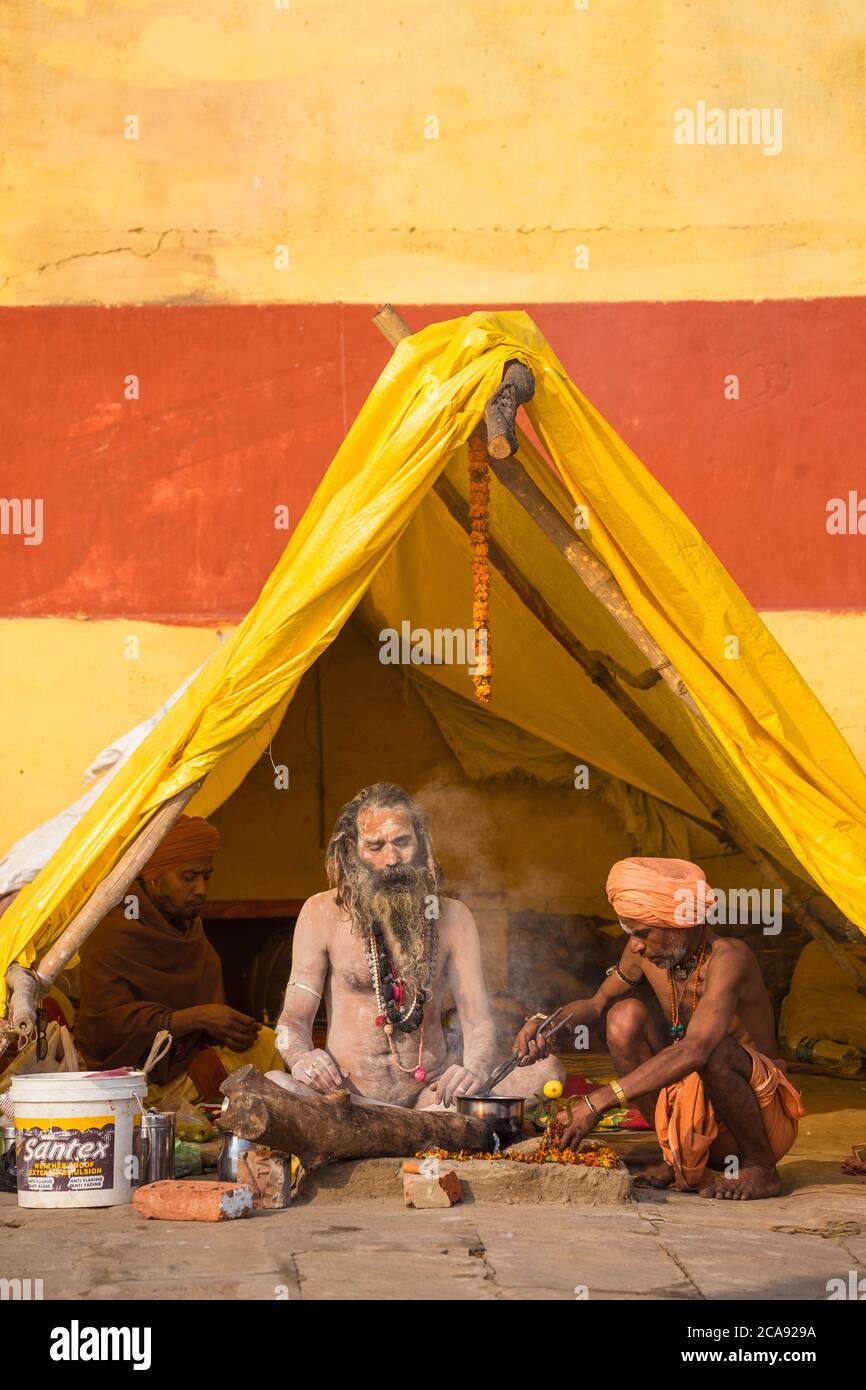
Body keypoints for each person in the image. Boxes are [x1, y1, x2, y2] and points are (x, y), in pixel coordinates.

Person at [512, 856, 803, 1199]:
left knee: (708, 1049)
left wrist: (601, 1100)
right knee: (624, 1016)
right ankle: (674, 1154)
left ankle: (761, 1169)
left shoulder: (729, 958)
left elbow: (697, 1050)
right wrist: (543, 1023)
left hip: (757, 1122)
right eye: (629, 933)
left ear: (679, 922)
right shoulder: (643, 952)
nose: (635, 944)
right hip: (693, 1115)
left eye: (642, 933)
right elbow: (596, 1005)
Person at [270, 783, 563, 1109]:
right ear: (353, 849)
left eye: (402, 842)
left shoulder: (454, 916)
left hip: (433, 1096)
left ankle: (426, 1124)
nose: (392, 859)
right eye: (376, 846)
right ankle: (434, 1131)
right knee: (271, 1086)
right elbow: (292, 1020)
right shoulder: (320, 912)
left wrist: (473, 1071)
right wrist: (302, 1058)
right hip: (346, 1101)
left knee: (546, 1071)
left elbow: (478, 1021)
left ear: (420, 843)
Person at [75, 815, 284, 1102]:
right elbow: (106, 1030)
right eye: (188, 877)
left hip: (183, 1059)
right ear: (153, 873)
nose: (200, 889)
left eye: (206, 876)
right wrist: (195, 1018)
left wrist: (227, 1029)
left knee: (270, 1045)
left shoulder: (187, 926)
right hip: (132, 1080)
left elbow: (205, 1021)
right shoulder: (112, 929)